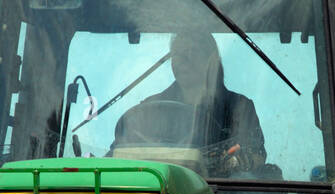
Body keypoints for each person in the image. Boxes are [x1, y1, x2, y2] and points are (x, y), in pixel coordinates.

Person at [113, 31, 267, 173]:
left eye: (192, 52)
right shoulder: (149, 111)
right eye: (177, 54)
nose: (183, 59)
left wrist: (234, 161)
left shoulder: (239, 108)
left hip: (219, 193)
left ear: (211, 60)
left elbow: (256, 154)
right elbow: (115, 155)